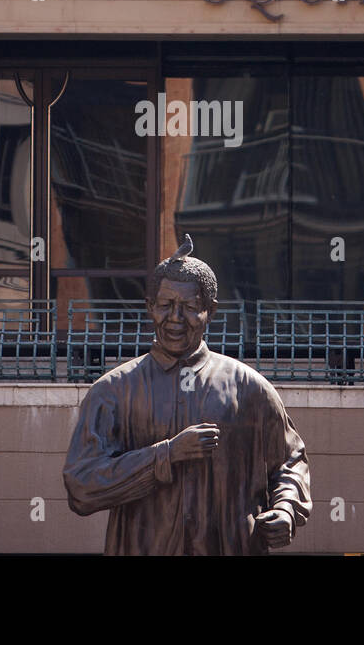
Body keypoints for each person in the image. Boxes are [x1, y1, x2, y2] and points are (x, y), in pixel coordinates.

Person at [62, 235, 312, 555]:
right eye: (165, 306)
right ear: (149, 307)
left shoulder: (250, 389)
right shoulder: (114, 391)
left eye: (190, 307)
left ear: (210, 311)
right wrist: (166, 455)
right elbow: (81, 485)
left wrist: (287, 507)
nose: (176, 319)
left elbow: (290, 461)